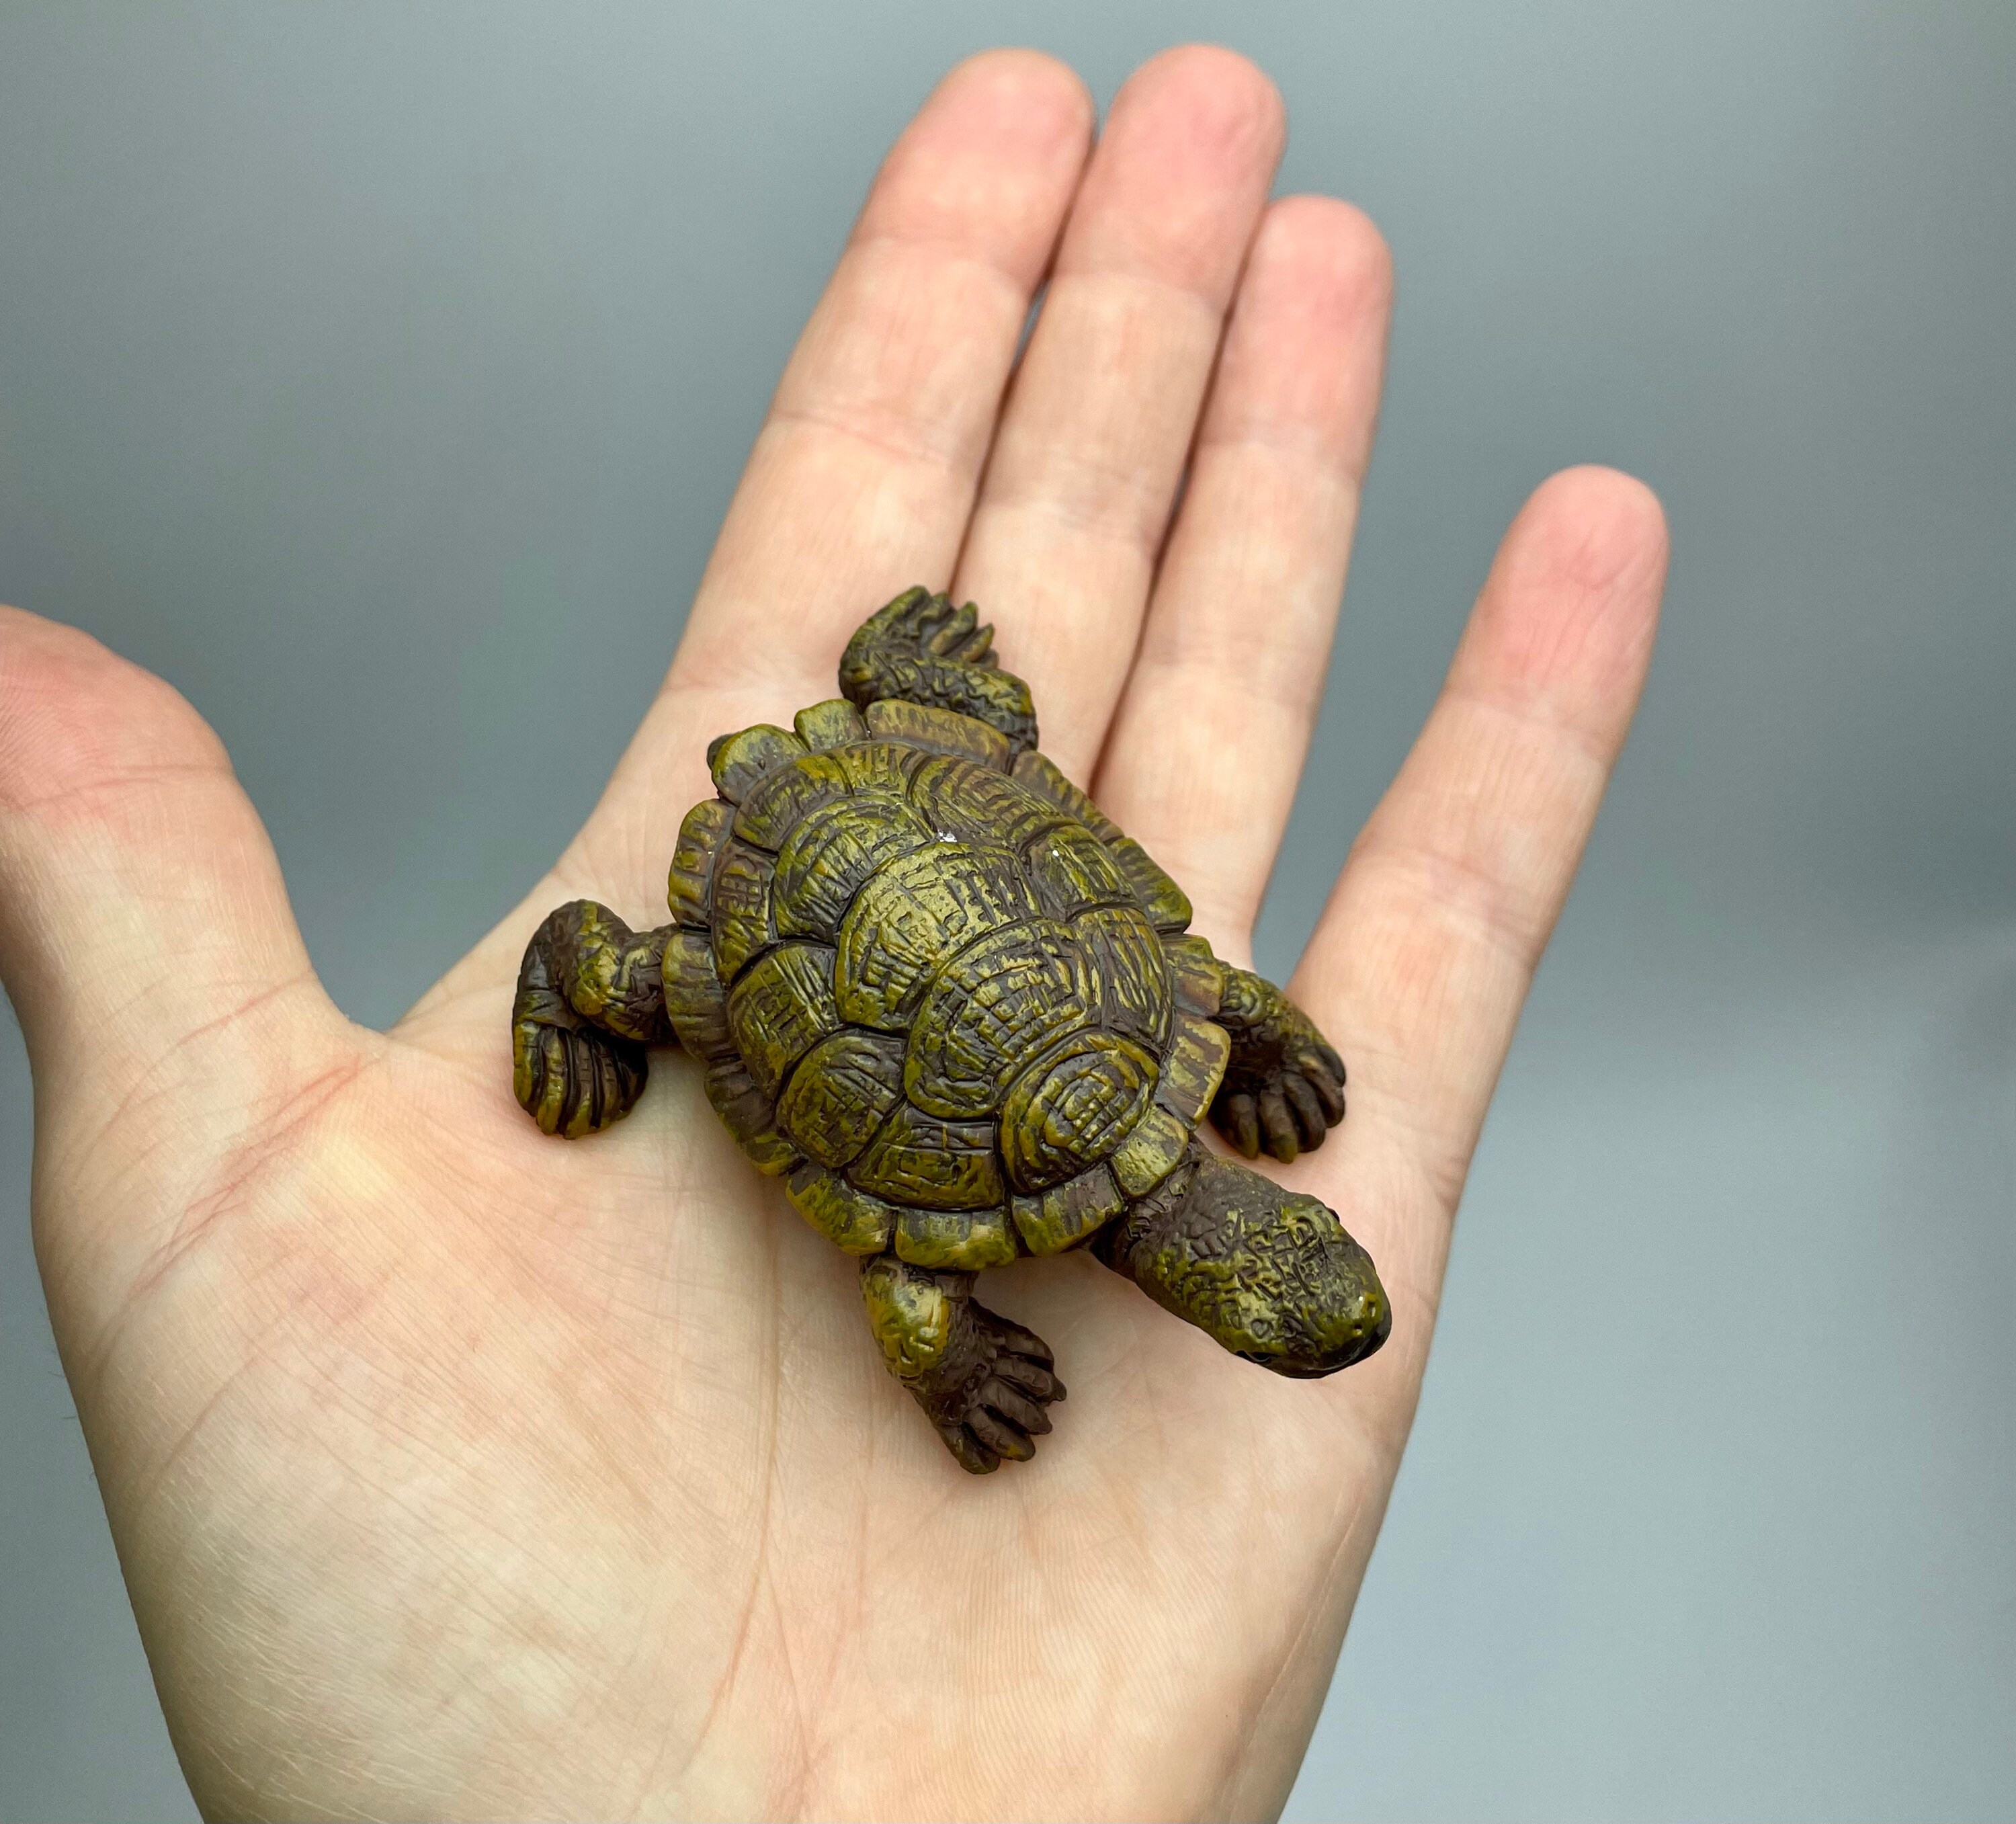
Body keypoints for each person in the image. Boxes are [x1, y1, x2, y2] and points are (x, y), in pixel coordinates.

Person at [0, 44, 1668, 1821]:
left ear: (1242, 1268)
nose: (1297, 1310)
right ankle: (594, 965)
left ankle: (909, 697)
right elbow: (917, 1266)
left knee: (967, 778)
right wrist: (957, 1369)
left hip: (969, 899)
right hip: (793, 937)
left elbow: (1172, 1035)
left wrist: (1256, 1052)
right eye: (1296, 1304)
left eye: (1292, 1306)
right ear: (1212, 1278)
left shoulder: (1172, 1056)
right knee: (660, 985)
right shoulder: (1094, 1111)